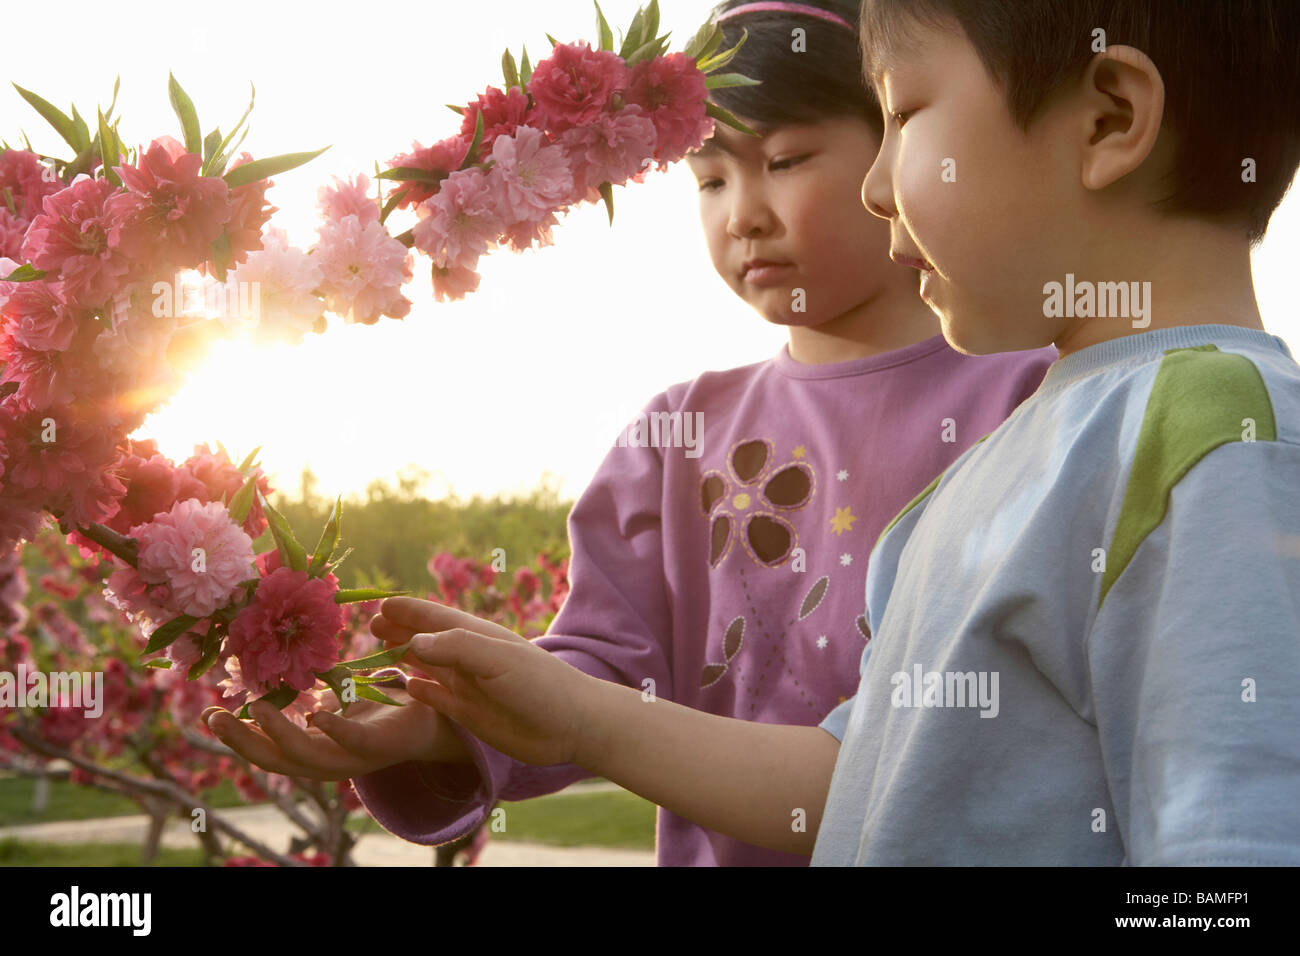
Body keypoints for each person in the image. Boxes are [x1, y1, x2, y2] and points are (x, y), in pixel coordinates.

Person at [202, 0, 1056, 866]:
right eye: (711, 179)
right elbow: (602, 679)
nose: (745, 214)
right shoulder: (675, 435)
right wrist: (439, 722)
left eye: (788, 160)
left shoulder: (1031, 393)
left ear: (898, 146)